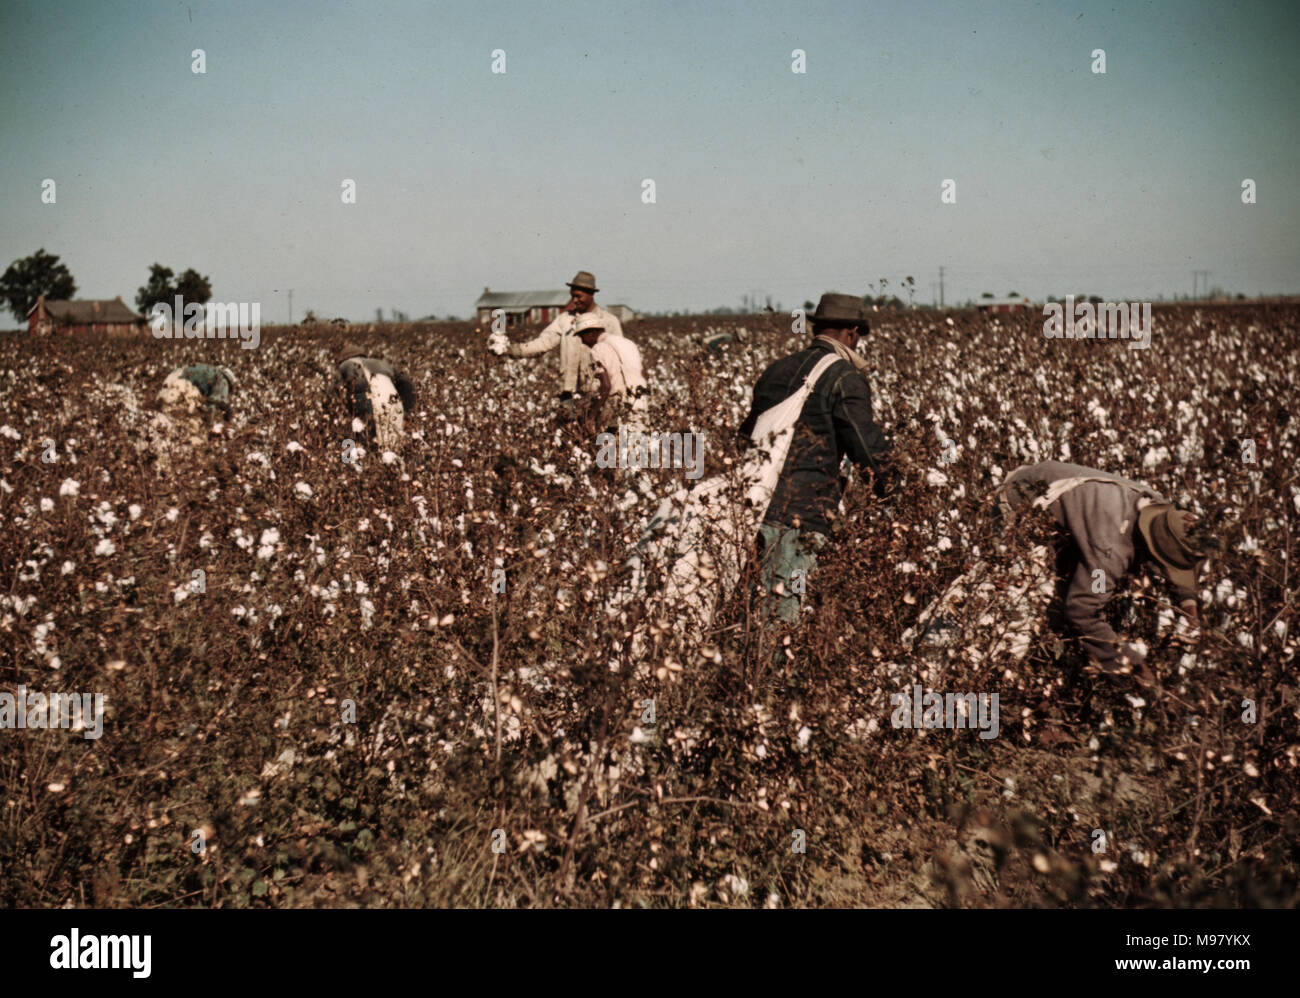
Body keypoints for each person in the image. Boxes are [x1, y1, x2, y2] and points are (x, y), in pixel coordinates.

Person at [738, 293, 892, 623]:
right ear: (853, 332)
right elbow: (867, 448)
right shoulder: (845, 377)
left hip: (753, 509)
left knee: (753, 606)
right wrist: (895, 490)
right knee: (784, 613)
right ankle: (773, 674)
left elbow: (745, 437)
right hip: (799, 518)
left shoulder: (775, 371)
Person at [994, 461, 1213, 684]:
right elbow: (1082, 610)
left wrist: (1188, 606)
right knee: (1026, 615)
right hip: (1019, 498)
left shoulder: (1159, 509)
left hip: (1049, 479)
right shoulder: (1108, 552)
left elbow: (1179, 546)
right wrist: (1129, 664)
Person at [488, 270, 624, 416]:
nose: (574, 300)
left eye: (579, 296)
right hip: (569, 392)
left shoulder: (609, 322)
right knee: (570, 432)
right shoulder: (565, 320)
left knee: (595, 432)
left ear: (591, 294)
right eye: (572, 296)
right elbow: (542, 343)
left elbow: (620, 360)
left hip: (599, 393)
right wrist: (511, 350)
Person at [146, 364, 237, 474]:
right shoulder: (222, 380)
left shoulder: (204, 370)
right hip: (182, 390)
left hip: (167, 389)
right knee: (192, 435)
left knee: (166, 431)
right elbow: (215, 403)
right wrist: (212, 424)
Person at [574, 312, 649, 432]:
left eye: (582, 336)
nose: (582, 342)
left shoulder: (598, 349)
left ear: (591, 332)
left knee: (616, 447)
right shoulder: (627, 343)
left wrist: (591, 415)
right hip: (640, 403)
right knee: (640, 446)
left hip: (620, 408)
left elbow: (606, 386)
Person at [336, 344, 416, 451]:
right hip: (393, 402)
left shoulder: (345, 365)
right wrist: (407, 409)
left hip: (367, 401)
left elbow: (334, 392)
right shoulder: (382, 363)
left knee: (363, 443)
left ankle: (351, 462)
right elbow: (407, 384)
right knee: (393, 446)